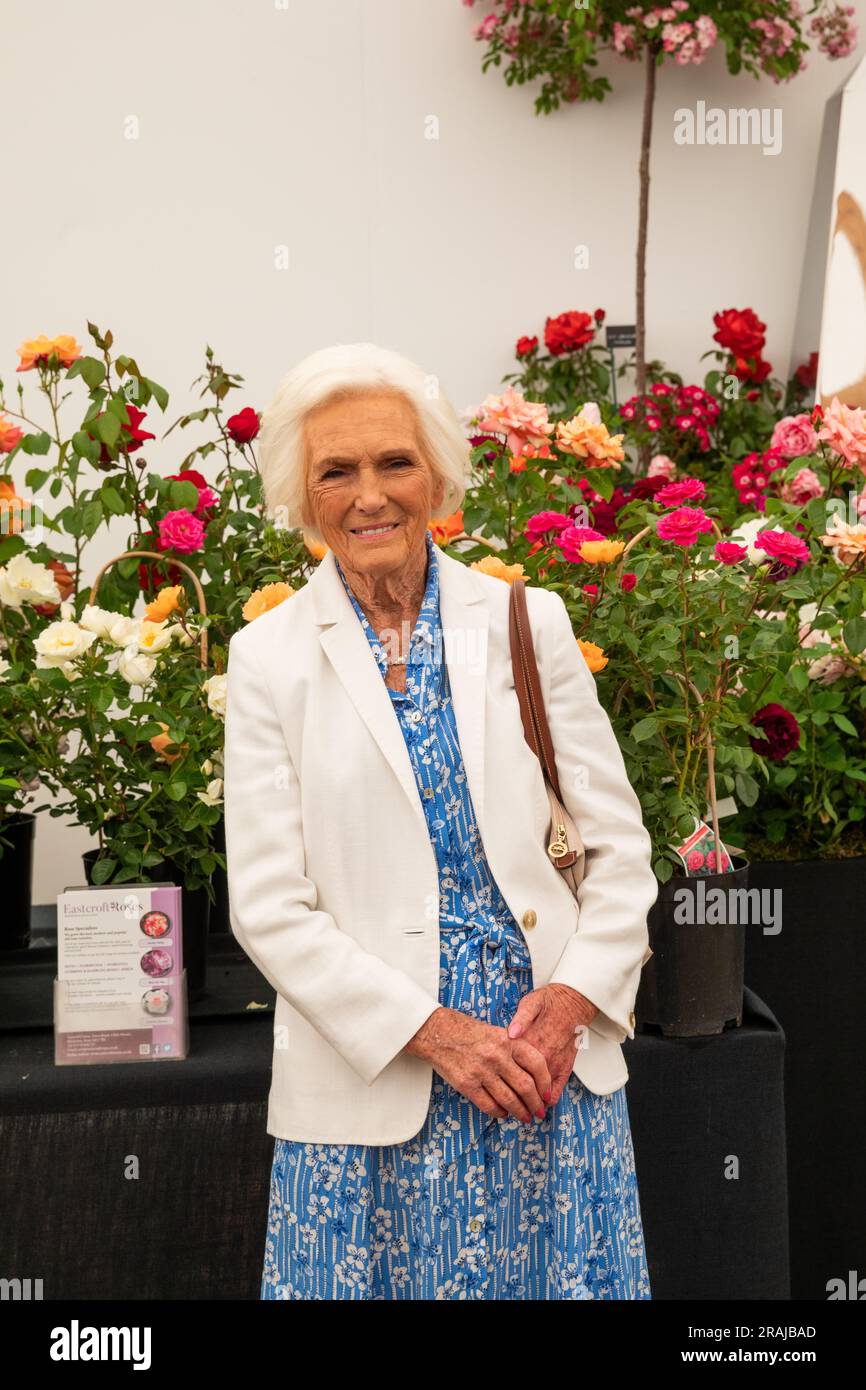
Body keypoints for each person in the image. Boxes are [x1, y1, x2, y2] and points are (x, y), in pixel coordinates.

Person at [223, 342, 658, 1300]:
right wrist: (430, 1029)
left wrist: (576, 998)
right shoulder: (269, 660)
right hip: (374, 1088)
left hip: (542, 1078)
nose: (369, 494)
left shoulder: (523, 622)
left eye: (396, 463)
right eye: (337, 471)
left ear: (438, 478)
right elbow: (268, 907)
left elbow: (621, 851)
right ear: (304, 497)